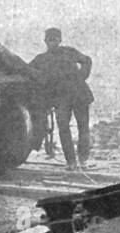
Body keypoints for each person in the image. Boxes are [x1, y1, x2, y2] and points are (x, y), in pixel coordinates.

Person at [29, 27, 93, 169]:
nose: (53, 42)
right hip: (60, 99)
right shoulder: (41, 59)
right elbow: (28, 70)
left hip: (79, 95)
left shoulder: (69, 52)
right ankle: (71, 162)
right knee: (63, 128)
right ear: (45, 41)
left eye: (56, 39)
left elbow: (87, 61)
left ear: (60, 40)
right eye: (50, 39)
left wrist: (81, 76)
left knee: (83, 128)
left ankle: (83, 160)